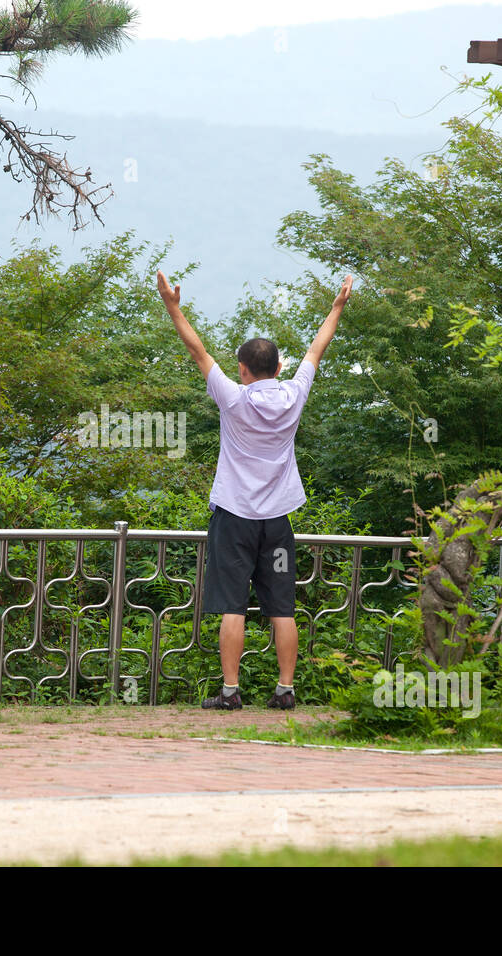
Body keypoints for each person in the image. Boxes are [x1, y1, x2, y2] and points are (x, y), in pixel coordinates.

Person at [156, 269, 353, 710]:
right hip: (277, 520)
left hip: (233, 516)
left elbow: (197, 349)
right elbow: (318, 347)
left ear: (242, 370)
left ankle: (230, 692)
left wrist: (173, 305)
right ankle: (285, 691)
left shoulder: (232, 396)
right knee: (282, 606)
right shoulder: (294, 393)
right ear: (279, 367)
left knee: (233, 605)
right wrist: (337, 305)